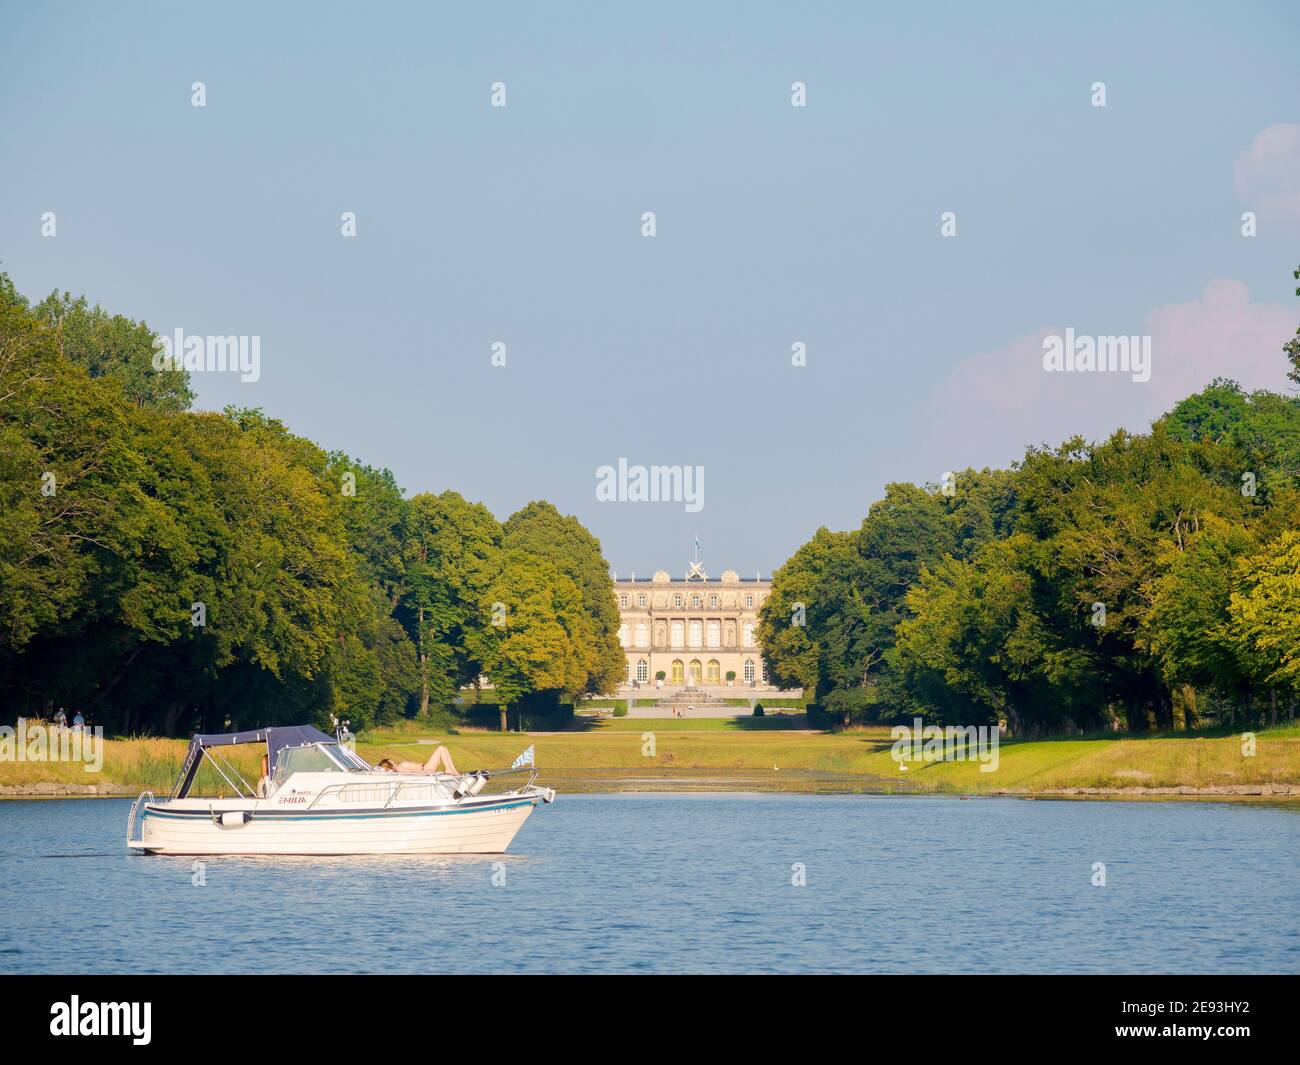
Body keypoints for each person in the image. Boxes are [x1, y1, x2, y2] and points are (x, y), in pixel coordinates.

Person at [375, 746, 458, 775]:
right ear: (389, 763)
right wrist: (427, 772)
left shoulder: (398, 767)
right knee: (440, 748)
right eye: (390, 760)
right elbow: (411, 772)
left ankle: (453, 771)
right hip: (426, 768)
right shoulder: (398, 768)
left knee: (444, 749)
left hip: (425, 767)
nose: (392, 760)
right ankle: (448, 769)